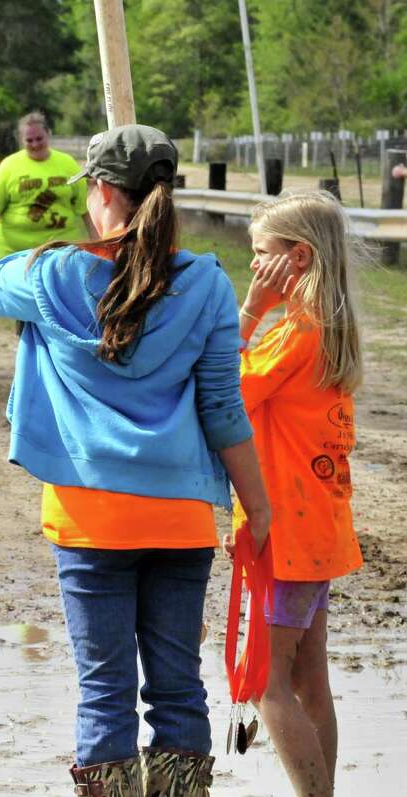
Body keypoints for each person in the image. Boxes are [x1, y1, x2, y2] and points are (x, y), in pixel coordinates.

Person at [0, 124, 272, 796]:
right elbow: (223, 410)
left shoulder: (53, 272)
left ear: (99, 192)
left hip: (90, 522)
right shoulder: (207, 283)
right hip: (181, 522)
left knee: (105, 694)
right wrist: (257, 507)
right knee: (179, 690)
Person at [228, 192, 364, 797]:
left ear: (298, 258)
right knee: (310, 676)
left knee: (266, 681)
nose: (254, 265)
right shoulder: (328, 330)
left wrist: (250, 309)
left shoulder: (290, 336)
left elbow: (221, 389)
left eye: (261, 254)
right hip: (320, 528)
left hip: (283, 533)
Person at [0, 111, 93, 261]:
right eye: (29, 140)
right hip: (16, 254)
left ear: (48, 134)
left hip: (62, 253)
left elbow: (86, 208)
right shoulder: (8, 166)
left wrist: (97, 241)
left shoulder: (68, 163)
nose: (35, 144)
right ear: (21, 140)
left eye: (39, 139)